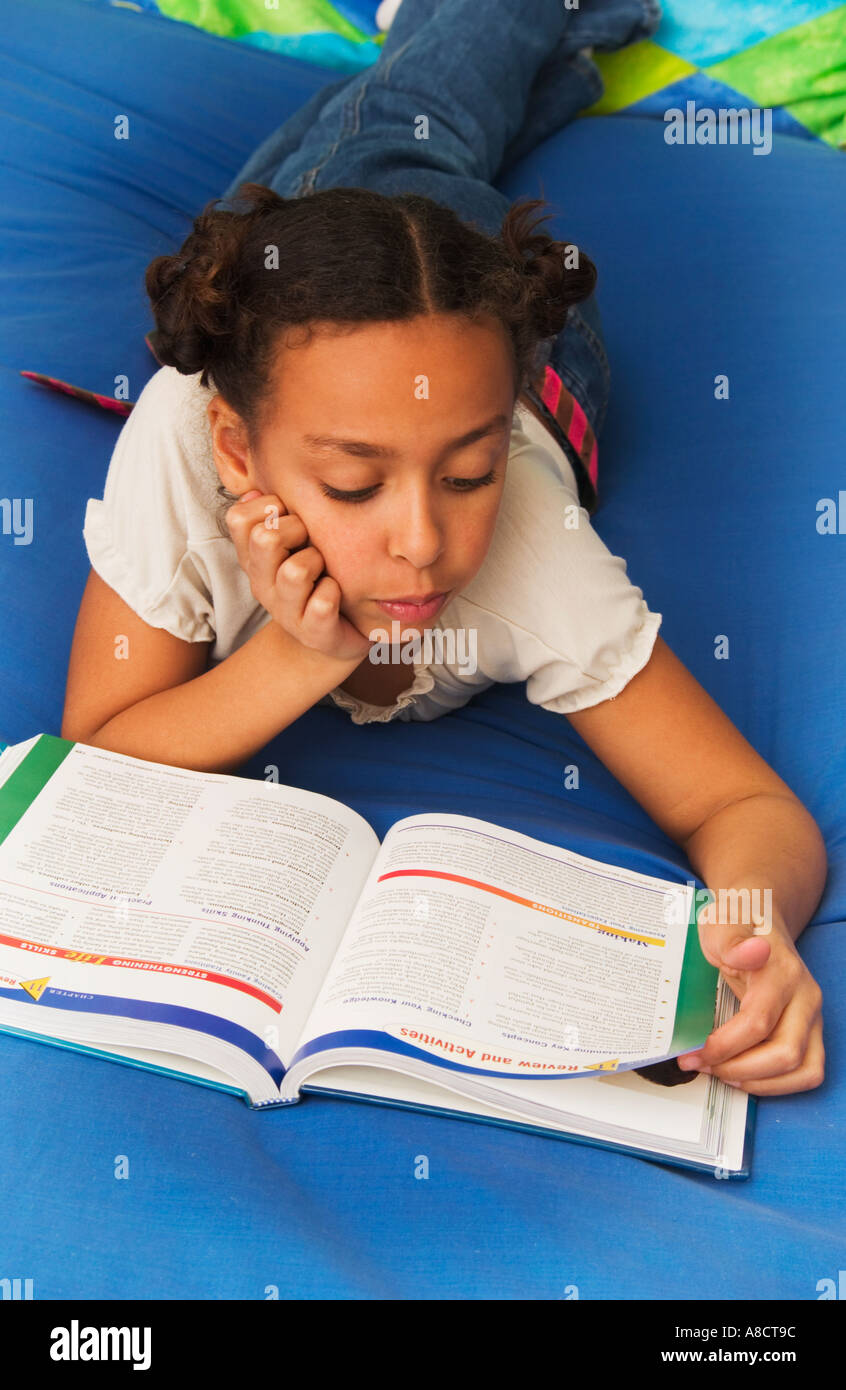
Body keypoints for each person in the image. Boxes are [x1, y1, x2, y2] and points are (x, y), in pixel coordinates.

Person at [62, 0, 826, 1098]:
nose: (422, 544)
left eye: (468, 475)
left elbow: (745, 809)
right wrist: (300, 657)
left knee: (394, 144)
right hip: (340, 256)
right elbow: (93, 753)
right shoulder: (183, 444)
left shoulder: (533, 550)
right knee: (388, 128)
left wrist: (755, 940)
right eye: (355, 483)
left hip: (522, 322)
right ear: (239, 448)